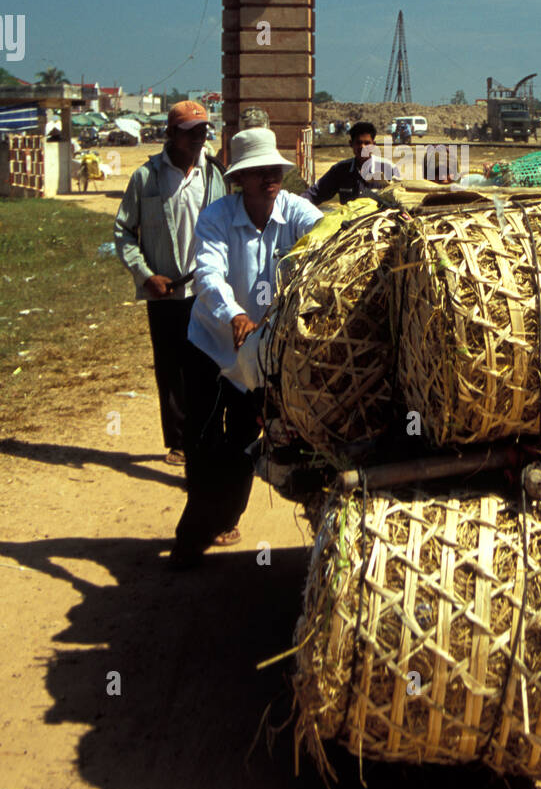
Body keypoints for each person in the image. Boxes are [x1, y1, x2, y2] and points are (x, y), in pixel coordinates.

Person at [170, 127, 323, 567]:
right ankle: (192, 534)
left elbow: (326, 237)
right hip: (210, 344)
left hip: (259, 355)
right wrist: (234, 314)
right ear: (240, 180)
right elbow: (208, 274)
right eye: (258, 172)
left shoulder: (296, 212)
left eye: (273, 169)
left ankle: (223, 517)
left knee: (242, 441)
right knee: (201, 442)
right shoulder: (217, 217)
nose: (269, 178)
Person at [114, 101, 226, 466]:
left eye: (203, 130)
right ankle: (179, 442)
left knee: (209, 363)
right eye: (190, 131)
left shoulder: (214, 175)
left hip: (207, 289)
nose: (199, 137)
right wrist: (146, 276)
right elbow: (124, 233)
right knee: (171, 366)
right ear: (170, 134)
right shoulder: (146, 177)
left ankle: (208, 435)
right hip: (165, 292)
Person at [304, 121, 401, 206]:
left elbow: (401, 199)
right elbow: (315, 194)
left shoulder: (389, 168)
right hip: (350, 224)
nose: (363, 147)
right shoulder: (340, 170)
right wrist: (294, 205)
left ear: (373, 145)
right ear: (351, 144)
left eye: (367, 143)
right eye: (358, 143)